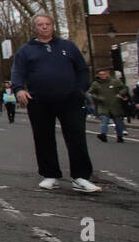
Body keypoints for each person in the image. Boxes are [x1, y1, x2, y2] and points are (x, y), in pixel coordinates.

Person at [11, 14, 99, 193]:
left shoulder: (68, 46)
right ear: (34, 28)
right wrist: (19, 89)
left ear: (53, 26)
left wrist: (81, 89)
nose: (45, 27)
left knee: (76, 137)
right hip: (39, 100)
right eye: (40, 25)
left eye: (48, 24)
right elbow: (18, 72)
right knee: (43, 137)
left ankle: (81, 177)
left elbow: (82, 69)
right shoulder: (26, 50)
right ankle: (50, 175)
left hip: (70, 99)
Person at [88, 68, 129, 143]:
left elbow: (124, 88)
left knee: (118, 122)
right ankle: (103, 135)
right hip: (103, 105)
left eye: (103, 74)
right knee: (104, 120)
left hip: (115, 104)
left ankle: (119, 137)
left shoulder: (115, 81)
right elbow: (90, 93)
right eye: (100, 74)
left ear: (107, 74)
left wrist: (120, 94)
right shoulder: (96, 84)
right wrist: (98, 97)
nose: (102, 76)